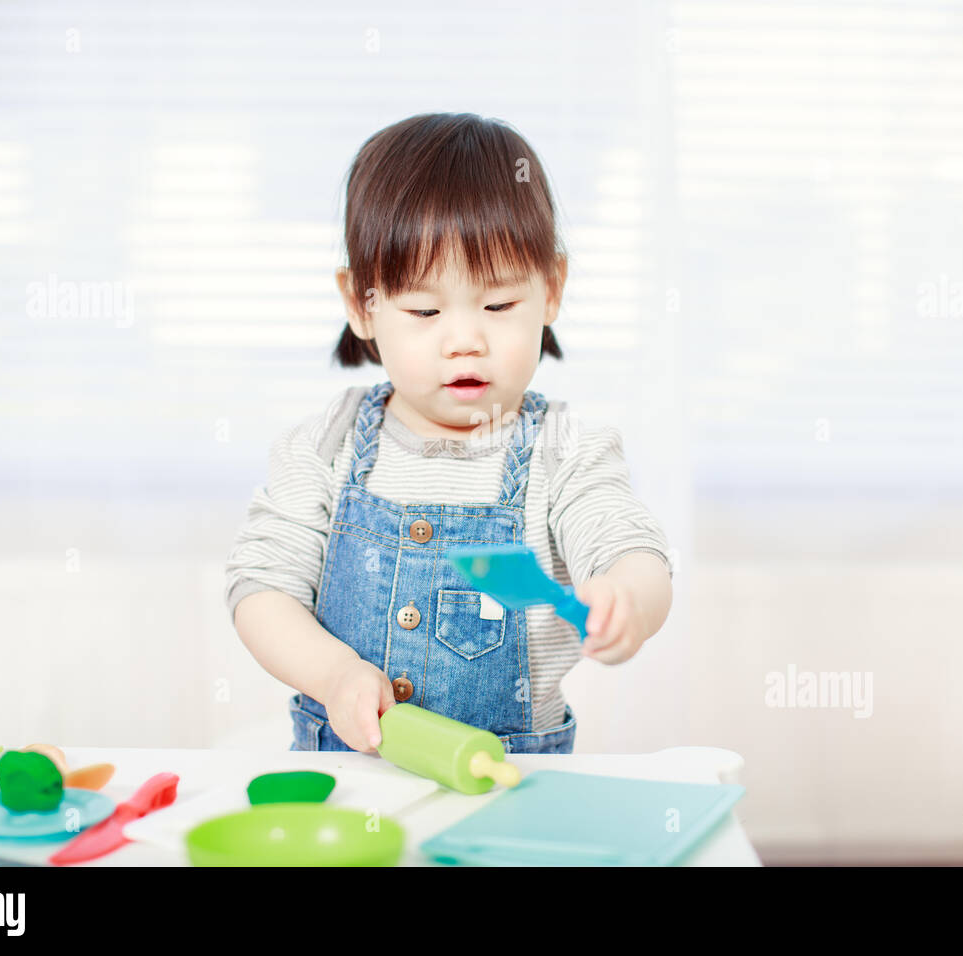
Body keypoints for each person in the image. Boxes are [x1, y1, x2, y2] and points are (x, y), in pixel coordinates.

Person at [225, 112, 673, 755]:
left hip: (510, 790)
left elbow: (630, 549)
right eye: (424, 311)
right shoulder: (327, 444)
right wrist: (335, 675)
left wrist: (628, 597)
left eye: (498, 306)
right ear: (362, 305)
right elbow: (261, 589)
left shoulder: (565, 451)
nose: (464, 339)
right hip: (351, 781)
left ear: (552, 289)